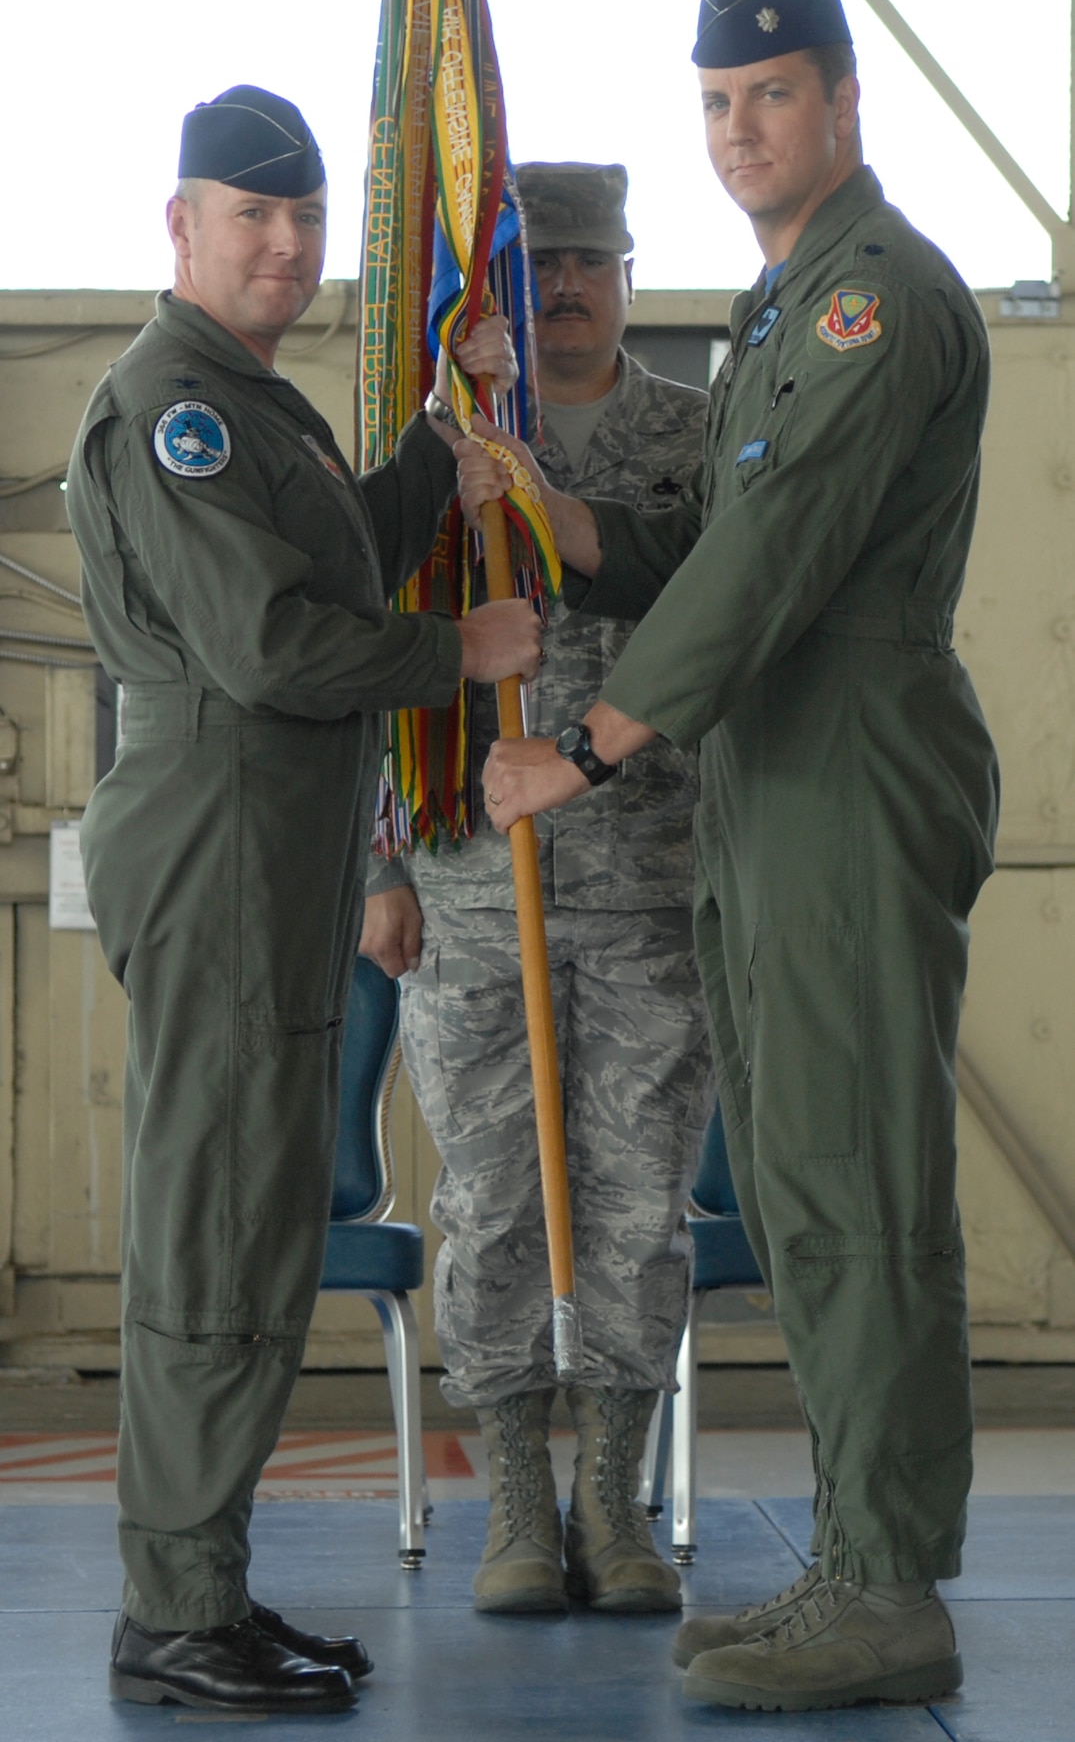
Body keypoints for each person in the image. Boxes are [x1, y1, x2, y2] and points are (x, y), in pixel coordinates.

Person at [474, 0, 999, 1713]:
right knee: (795, 1182)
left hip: (849, 762)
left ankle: (892, 1589)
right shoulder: (780, 307)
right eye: (716, 103)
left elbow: (770, 566)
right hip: (771, 782)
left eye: (771, 95)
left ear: (843, 101)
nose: (739, 129)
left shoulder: (870, 301)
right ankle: (852, 1558)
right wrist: (561, 517)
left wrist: (590, 748)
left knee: (860, 1184)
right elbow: (703, 534)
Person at [65, 84, 541, 1717]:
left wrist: (436, 449)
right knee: (217, 1228)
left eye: (306, 218)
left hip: (270, 853)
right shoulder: (176, 414)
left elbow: (331, 565)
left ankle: (205, 1592)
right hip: (219, 843)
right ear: (182, 227)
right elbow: (270, 643)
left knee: (260, 1223)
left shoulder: (255, 406)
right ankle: (174, 1612)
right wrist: (456, 651)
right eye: (251, 215)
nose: (284, 244)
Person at [360, 161, 713, 1616]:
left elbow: (729, 621)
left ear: (630, 277)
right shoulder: (437, 441)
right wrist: (381, 862)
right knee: (493, 1197)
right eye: (541, 262)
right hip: (466, 882)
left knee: (637, 1199)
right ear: (503, 282)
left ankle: (612, 1506)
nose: (564, 286)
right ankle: (514, 1503)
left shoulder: (693, 438)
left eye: (590, 262)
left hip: (647, 882)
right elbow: (375, 638)